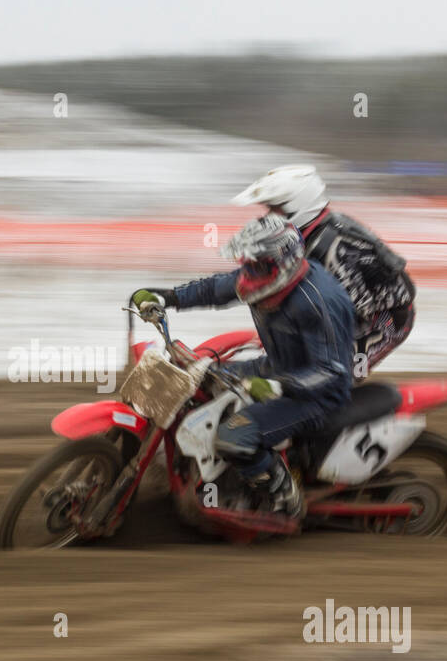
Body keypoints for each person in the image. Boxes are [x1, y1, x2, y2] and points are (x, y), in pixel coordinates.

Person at [132, 213, 355, 515]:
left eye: (258, 265)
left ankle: (285, 498)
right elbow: (214, 289)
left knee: (234, 436)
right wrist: (167, 297)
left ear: (283, 261)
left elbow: (332, 372)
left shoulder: (319, 302)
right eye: (248, 263)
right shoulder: (262, 278)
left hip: (317, 394)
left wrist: (278, 385)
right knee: (198, 384)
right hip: (277, 367)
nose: (249, 272)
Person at [232, 164, 415, 375]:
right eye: (268, 209)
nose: (267, 217)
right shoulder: (311, 231)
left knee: (327, 377)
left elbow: (350, 313)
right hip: (356, 311)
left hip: (386, 321)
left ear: (298, 206)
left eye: (274, 209)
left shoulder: (332, 248)